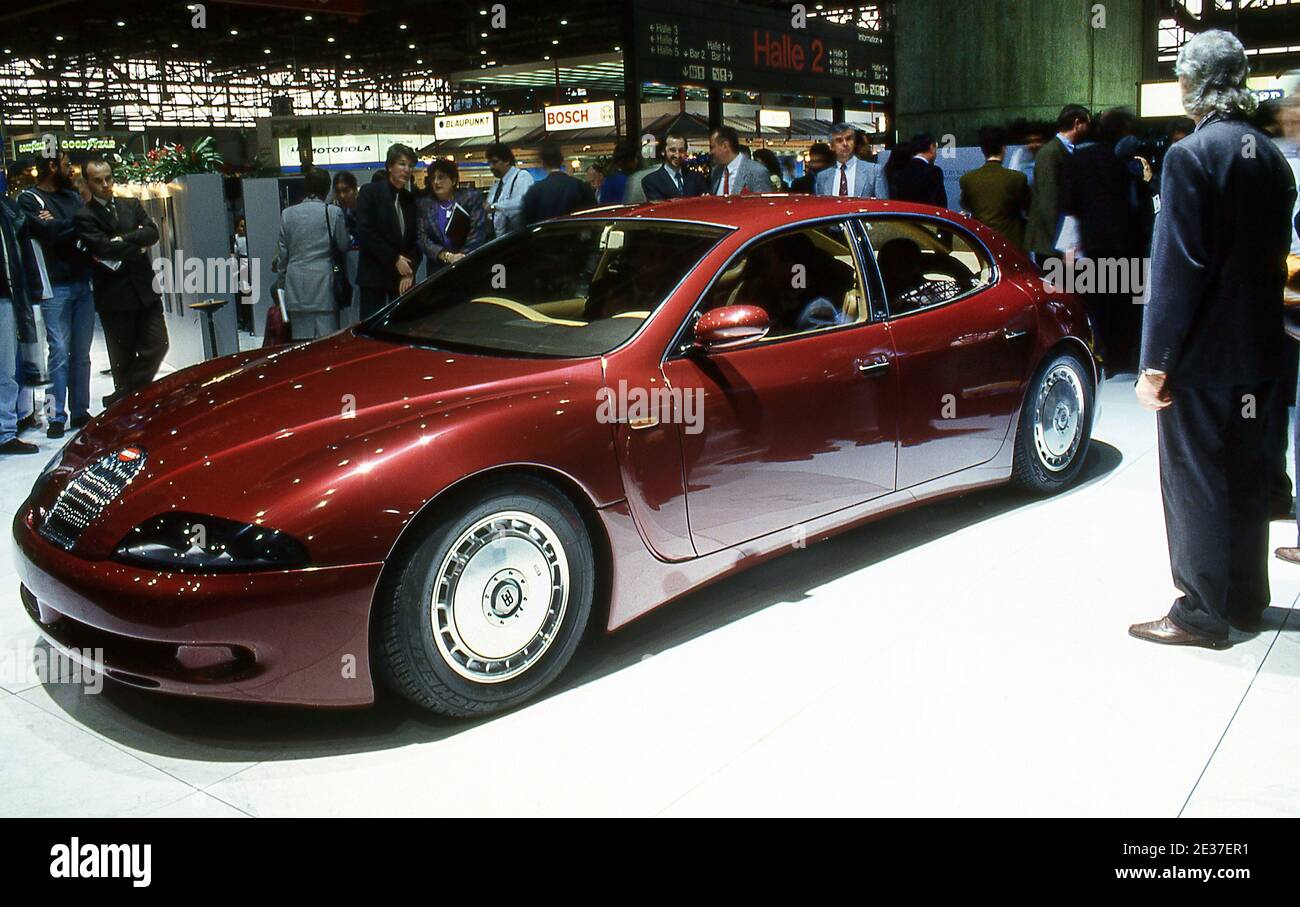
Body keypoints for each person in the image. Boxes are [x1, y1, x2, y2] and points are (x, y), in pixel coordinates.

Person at [1129, 30, 1298, 649]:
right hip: (1262, 350)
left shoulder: (1191, 156)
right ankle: (1248, 598)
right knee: (1247, 473)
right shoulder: (1271, 157)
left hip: (1201, 357)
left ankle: (1200, 612)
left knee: (1194, 476)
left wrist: (1155, 363)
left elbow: (1178, 267)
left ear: (1190, 85)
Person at [73, 158, 169, 407]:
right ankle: (130, 405)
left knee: (158, 345)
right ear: (87, 182)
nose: (106, 184)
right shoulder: (84, 216)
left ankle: (124, 395)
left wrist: (122, 239)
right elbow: (103, 248)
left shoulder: (130, 204)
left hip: (145, 290)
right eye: (98, 180)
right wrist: (134, 245)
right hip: (114, 297)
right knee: (122, 359)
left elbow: (152, 233)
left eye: (108, 178)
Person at [1061, 108, 1149, 372]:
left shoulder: (1079, 159)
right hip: (1129, 243)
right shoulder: (1125, 159)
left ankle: (1106, 358)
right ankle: (1128, 357)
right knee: (1128, 304)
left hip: (1094, 242)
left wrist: (1070, 249)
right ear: (1123, 132)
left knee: (1100, 303)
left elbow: (1069, 204)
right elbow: (1139, 201)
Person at [17, 146, 94, 438]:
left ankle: (79, 410)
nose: (71, 168)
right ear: (51, 166)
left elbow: (84, 227)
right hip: (55, 287)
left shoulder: (72, 197)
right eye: (65, 163)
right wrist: (75, 223)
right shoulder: (29, 199)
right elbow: (46, 233)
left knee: (81, 354)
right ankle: (55, 416)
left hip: (82, 283)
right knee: (59, 353)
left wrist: (63, 224)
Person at [274, 167, 351, 341]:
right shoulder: (333, 212)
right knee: (327, 342)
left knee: (301, 344)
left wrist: (281, 284)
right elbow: (344, 244)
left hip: (296, 286)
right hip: (324, 285)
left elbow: (283, 256)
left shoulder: (287, 214)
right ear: (326, 188)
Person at [355, 143, 421, 320]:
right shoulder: (370, 192)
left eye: (410, 166)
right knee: (371, 326)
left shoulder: (410, 199)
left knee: (402, 325)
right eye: (402, 164)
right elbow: (365, 231)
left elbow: (417, 239)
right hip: (374, 275)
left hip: (402, 278)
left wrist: (409, 270)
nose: (407, 170)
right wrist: (395, 258)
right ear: (390, 166)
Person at [1025, 104, 1091, 264]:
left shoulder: (1064, 150)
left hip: (1060, 242)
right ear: (1077, 123)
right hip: (1052, 245)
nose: (1089, 128)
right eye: (1087, 123)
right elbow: (1049, 201)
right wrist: (1063, 247)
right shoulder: (1050, 153)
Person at [0, 192, 39, 454]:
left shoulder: (7, 208)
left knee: (5, 369)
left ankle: (6, 432)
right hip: (6, 295)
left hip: (5, 295)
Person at [959, 125, 1031, 249]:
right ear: (1004, 148)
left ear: (982, 150)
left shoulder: (968, 179)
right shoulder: (1018, 178)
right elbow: (1028, 207)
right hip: (1012, 244)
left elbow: (966, 206)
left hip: (982, 243)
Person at [418, 158, 488, 272]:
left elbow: (477, 233)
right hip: (438, 269)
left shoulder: (470, 198)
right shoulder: (424, 204)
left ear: (454, 180)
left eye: (441, 177)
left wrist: (460, 257)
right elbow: (422, 238)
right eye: (433, 178)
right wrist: (447, 256)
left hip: (468, 264)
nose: (436, 182)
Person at [521, 141, 596, 225]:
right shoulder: (580, 186)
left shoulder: (535, 191)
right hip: (574, 234)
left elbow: (526, 222)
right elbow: (592, 215)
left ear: (543, 163)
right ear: (561, 160)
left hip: (545, 235)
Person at [816, 122, 889, 199]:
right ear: (832, 146)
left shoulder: (873, 171)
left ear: (854, 142)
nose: (845, 144)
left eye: (848, 139)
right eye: (839, 140)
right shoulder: (822, 177)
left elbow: (884, 207)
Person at [484, 142, 533, 237]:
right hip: (499, 240)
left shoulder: (522, 176)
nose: (491, 167)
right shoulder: (496, 186)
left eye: (494, 162)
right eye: (489, 163)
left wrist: (494, 207)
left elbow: (522, 202)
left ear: (506, 161)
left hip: (517, 238)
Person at [641, 133, 706, 201]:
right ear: (663, 152)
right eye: (672, 150)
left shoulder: (697, 178)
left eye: (681, 150)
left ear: (685, 152)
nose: (677, 155)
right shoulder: (651, 181)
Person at [708, 126, 771, 196]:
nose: (711, 152)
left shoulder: (756, 172)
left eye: (712, 147)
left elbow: (762, 205)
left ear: (725, 146)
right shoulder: (716, 172)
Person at [890, 132, 947, 207]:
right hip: (929, 216)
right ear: (931, 148)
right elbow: (941, 203)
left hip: (906, 216)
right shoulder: (934, 172)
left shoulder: (900, 172)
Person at [1005, 121, 1049, 186]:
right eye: (1030, 142)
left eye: (1037, 141)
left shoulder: (1051, 158)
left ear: (1045, 141)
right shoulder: (1019, 155)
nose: (1033, 145)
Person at [599, 138, 641, 204]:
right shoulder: (628, 180)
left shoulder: (609, 178)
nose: (637, 161)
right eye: (636, 157)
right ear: (629, 160)